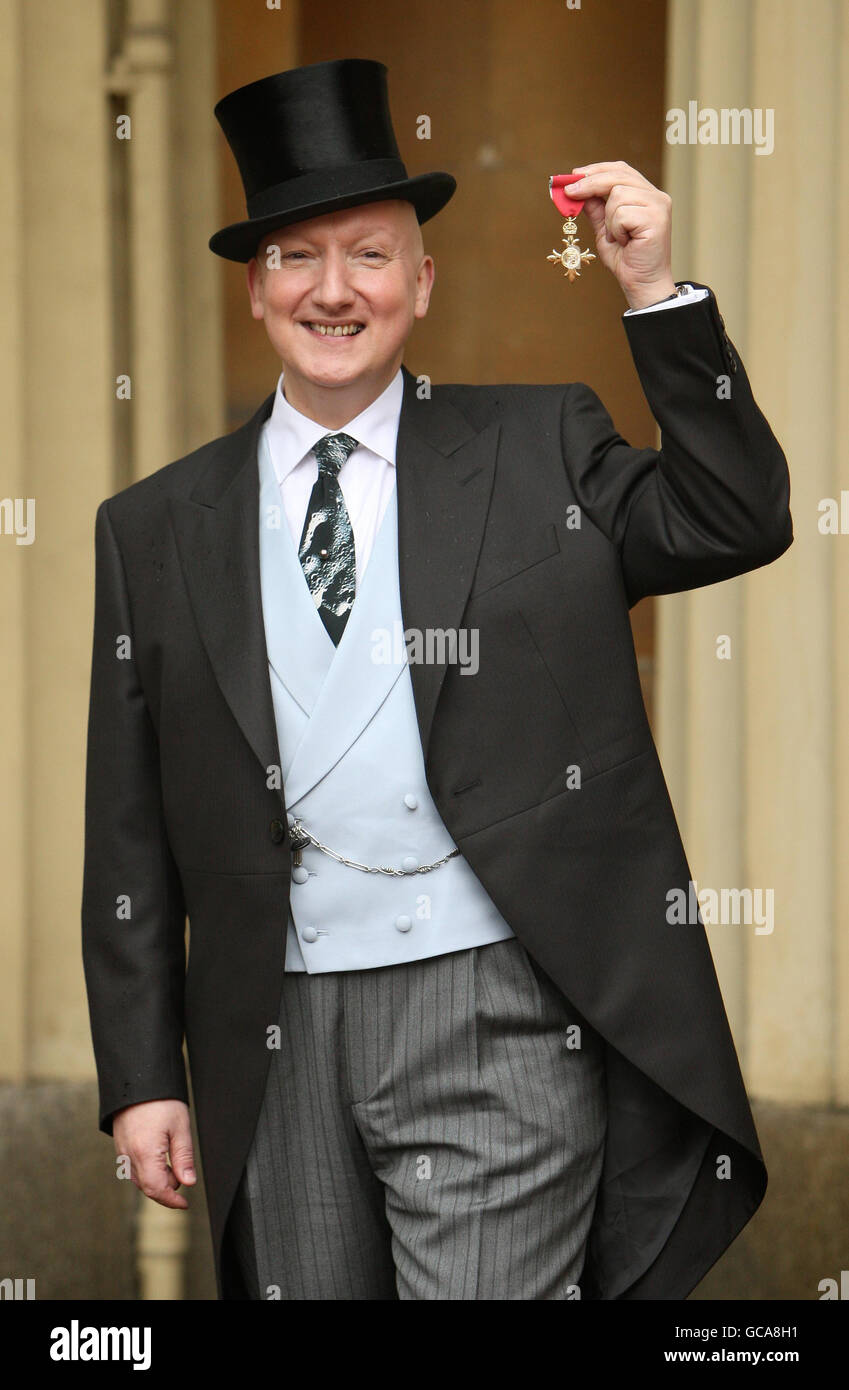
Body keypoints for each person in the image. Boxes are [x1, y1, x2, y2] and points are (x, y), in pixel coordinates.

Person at [81, 58, 792, 1300]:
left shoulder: (541, 446)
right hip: (272, 1031)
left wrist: (655, 293)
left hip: (501, 1011)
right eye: (298, 257)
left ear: (423, 279)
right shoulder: (153, 525)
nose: (335, 289)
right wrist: (143, 1071)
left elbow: (733, 514)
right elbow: (128, 821)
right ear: (258, 291)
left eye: (369, 253)